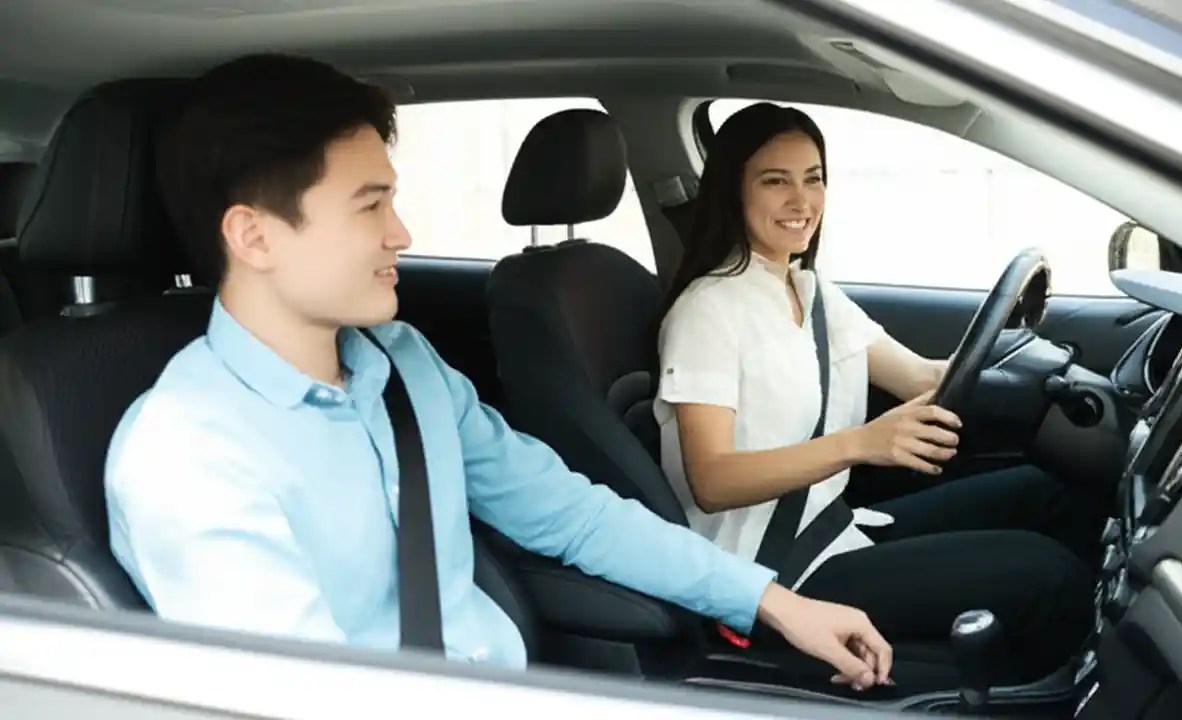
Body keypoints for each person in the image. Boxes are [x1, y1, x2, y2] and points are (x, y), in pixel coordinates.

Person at [102, 54, 899, 692]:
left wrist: (775, 603)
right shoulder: (189, 456)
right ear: (255, 236)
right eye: (369, 206)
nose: (402, 233)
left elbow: (572, 516)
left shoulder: (405, 367)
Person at [653, 101, 1095, 685]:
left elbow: (923, 380)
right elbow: (712, 480)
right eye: (775, 181)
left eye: (813, 179)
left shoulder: (808, 291)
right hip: (772, 576)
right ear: (734, 191)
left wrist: (1039, 372)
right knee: (1048, 575)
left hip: (831, 527)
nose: (801, 201)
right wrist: (859, 444)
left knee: (1045, 493)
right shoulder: (707, 311)